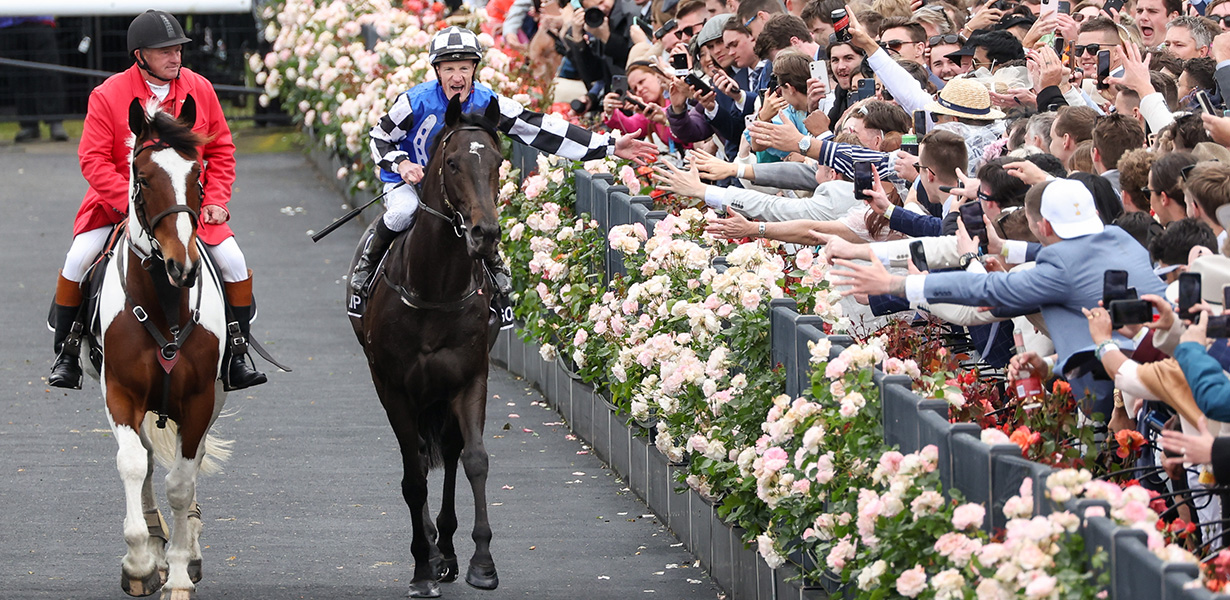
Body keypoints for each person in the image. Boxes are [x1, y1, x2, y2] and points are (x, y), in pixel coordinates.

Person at [49, 10, 266, 391]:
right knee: (78, 258)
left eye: (178, 49)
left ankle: (236, 352)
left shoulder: (201, 88)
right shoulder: (108, 95)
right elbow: (93, 160)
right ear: (140, 55)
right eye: (164, 51)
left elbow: (222, 150)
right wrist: (129, 203)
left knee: (234, 262)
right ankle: (67, 351)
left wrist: (216, 198)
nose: (175, 57)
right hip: (118, 205)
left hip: (187, 208)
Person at [360, 26, 657, 301]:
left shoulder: (488, 101)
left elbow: (542, 128)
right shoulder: (415, 102)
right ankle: (367, 268)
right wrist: (401, 164)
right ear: (437, 71)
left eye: (464, 67)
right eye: (449, 69)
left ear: (474, 69)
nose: (457, 77)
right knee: (403, 212)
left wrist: (609, 145)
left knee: (483, 214)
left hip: (462, 188)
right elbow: (379, 137)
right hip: (412, 185)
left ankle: (495, 273)